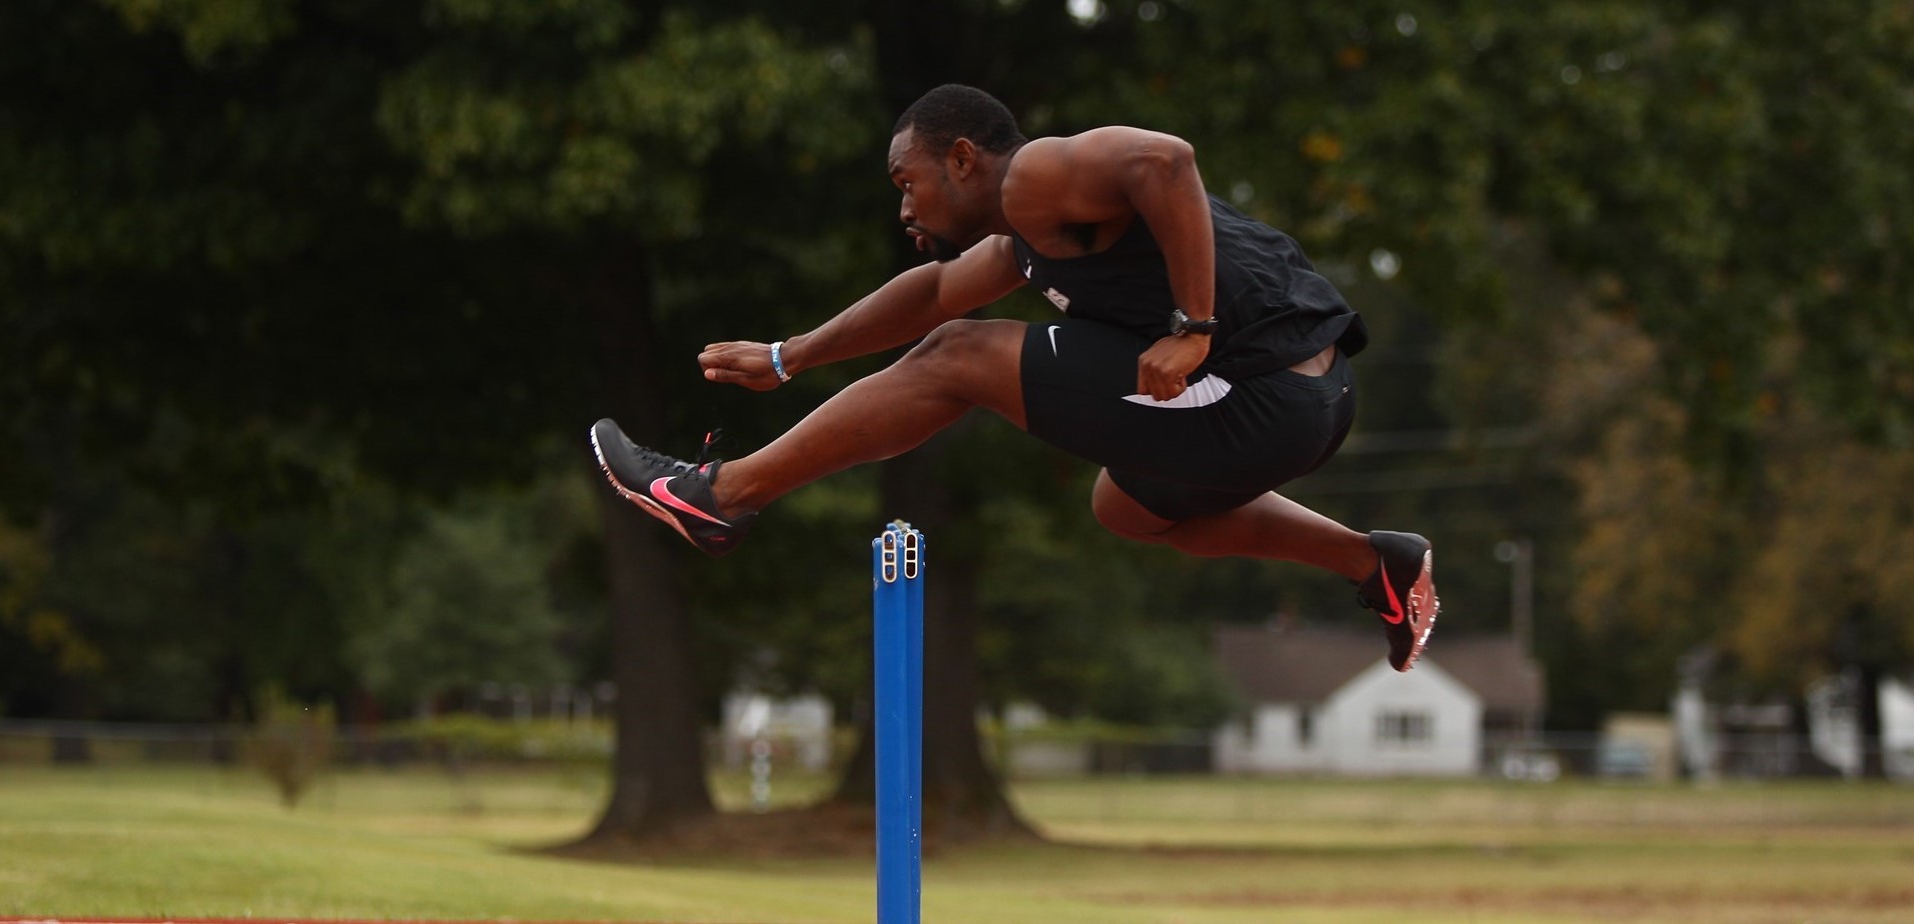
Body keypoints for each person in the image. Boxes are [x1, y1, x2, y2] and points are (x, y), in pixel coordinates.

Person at [591, 84, 1438, 670]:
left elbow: (1168, 162)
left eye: (907, 181)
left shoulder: (1037, 178)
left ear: (962, 158)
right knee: (1125, 507)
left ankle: (722, 495)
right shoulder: (1023, 240)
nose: (904, 207)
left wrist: (1193, 327)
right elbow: (926, 292)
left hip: (1271, 385)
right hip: (1303, 402)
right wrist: (792, 355)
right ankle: (1373, 564)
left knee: (961, 355)